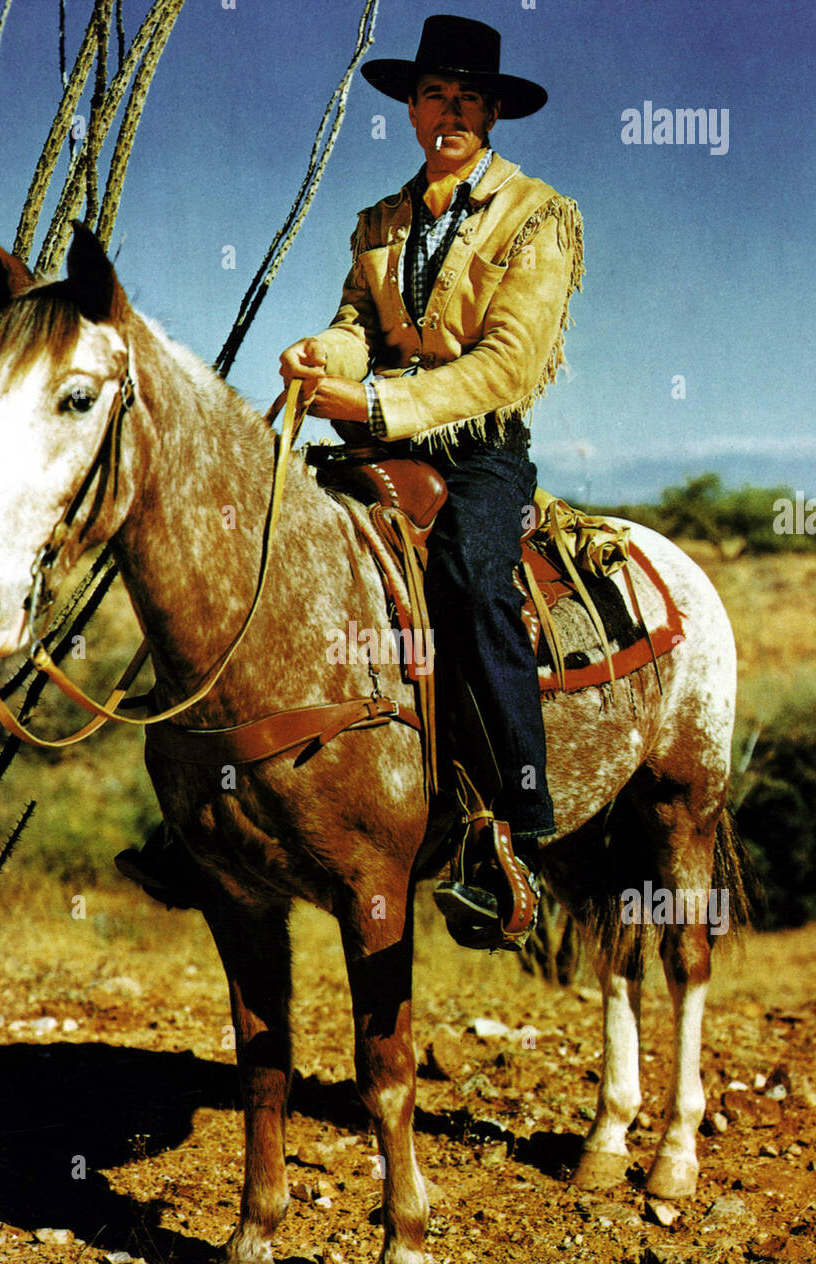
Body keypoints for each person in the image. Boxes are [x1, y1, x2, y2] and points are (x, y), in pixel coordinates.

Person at [279, 14, 584, 947]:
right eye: (432, 95)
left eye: (465, 97)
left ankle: (518, 824)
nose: (447, 111)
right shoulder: (379, 223)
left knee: (471, 578)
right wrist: (316, 354)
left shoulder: (539, 215)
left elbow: (511, 363)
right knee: (278, 549)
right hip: (375, 436)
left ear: (492, 112)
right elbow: (350, 326)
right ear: (410, 110)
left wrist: (375, 405)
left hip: (477, 446)